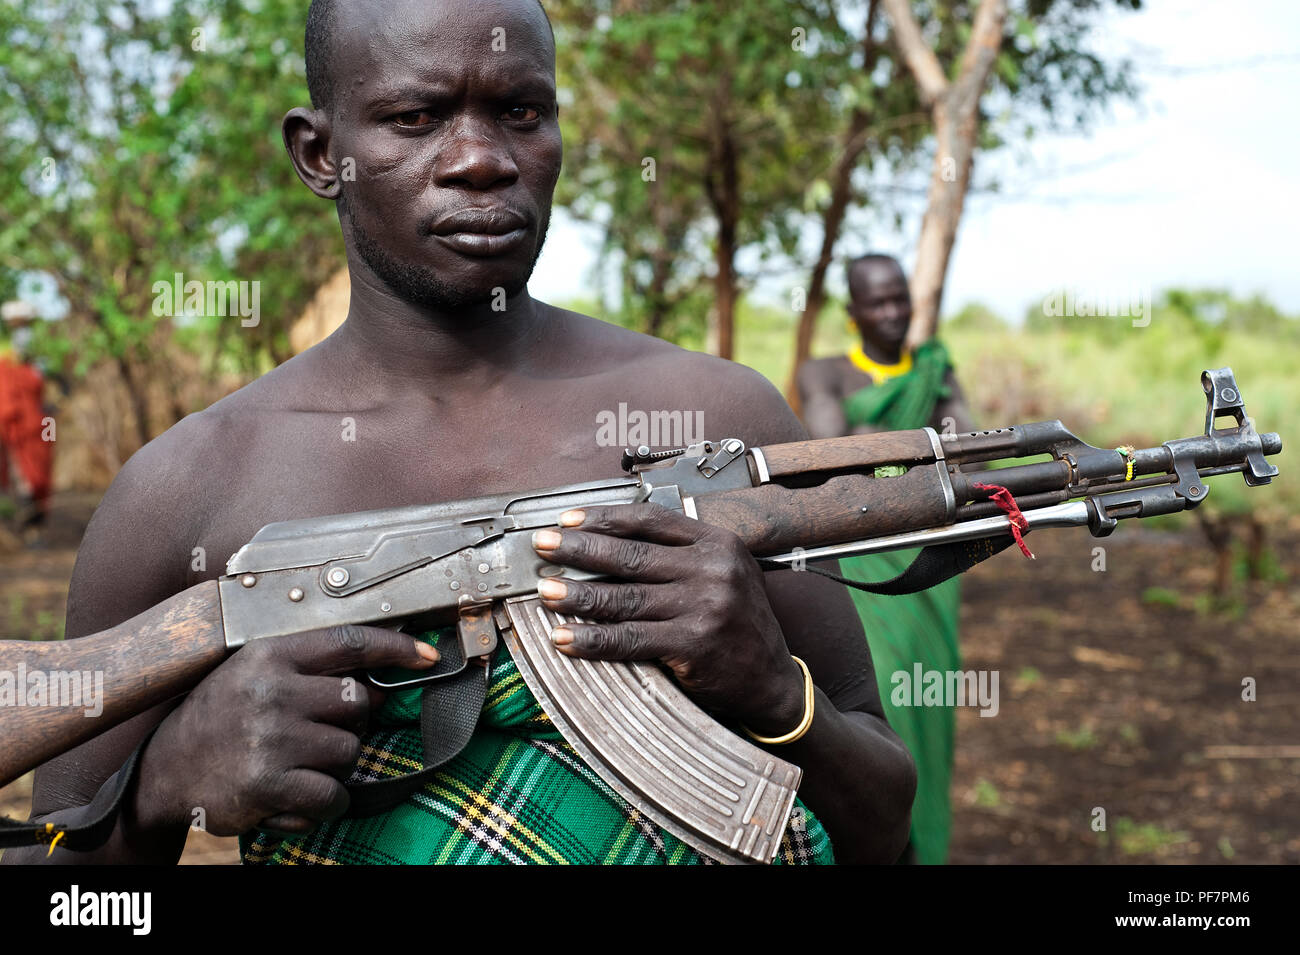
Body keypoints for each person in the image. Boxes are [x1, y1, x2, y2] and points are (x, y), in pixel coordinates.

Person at [7, 0, 914, 866]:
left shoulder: (722, 419)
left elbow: (882, 831)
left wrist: (773, 691)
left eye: (521, 110)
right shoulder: (186, 490)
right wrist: (163, 790)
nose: (481, 159)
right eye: (415, 117)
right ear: (320, 153)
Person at [796, 253, 974, 864]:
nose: (893, 312)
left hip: (930, 560)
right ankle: (881, 842)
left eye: (901, 298)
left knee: (930, 702)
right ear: (853, 312)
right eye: (877, 302)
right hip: (865, 560)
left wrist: (911, 466)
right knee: (884, 700)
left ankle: (925, 844)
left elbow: (969, 457)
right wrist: (923, 463)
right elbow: (834, 454)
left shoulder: (935, 370)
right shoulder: (824, 373)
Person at [0, 301, 53, 531]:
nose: (23, 331)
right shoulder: (5, 363)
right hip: (11, 430)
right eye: (17, 326)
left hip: (38, 429)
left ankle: (35, 526)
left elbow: (50, 396)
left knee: (38, 478)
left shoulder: (42, 362)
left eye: (26, 325)